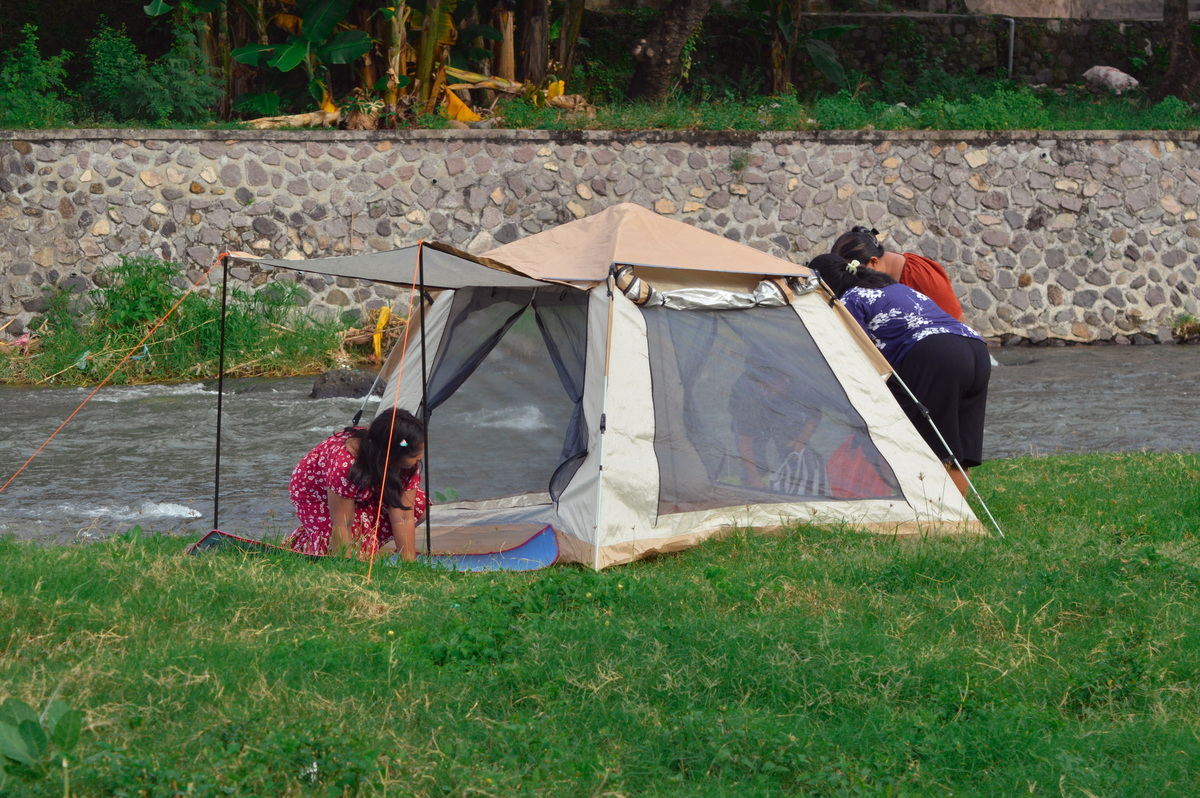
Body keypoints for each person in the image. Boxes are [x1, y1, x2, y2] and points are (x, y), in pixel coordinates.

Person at [808, 253, 989, 497]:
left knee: (912, 439)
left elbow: (856, 358)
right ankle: (959, 518)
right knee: (956, 450)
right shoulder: (892, 288)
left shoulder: (848, 300)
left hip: (934, 354)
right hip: (976, 350)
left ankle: (918, 509)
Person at [285, 409, 427, 559]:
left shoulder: (406, 462)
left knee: (419, 506)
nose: (420, 456)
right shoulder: (345, 464)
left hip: (365, 485)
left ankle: (366, 539)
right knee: (351, 542)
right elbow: (342, 523)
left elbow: (403, 516)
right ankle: (308, 541)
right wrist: (345, 569)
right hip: (318, 496)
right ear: (390, 454)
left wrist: (409, 564)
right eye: (414, 455)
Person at [729, 355, 829, 497]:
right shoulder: (746, 393)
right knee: (755, 463)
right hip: (753, 410)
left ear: (783, 381)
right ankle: (753, 494)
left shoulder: (801, 384)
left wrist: (802, 440)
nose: (764, 391)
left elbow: (814, 415)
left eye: (769, 387)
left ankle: (798, 492)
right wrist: (755, 478)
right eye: (761, 387)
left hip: (787, 410)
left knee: (795, 453)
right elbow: (745, 441)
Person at [831, 226, 963, 321]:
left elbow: (957, 322)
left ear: (873, 262)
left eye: (856, 275)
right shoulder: (880, 280)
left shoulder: (922, 276)